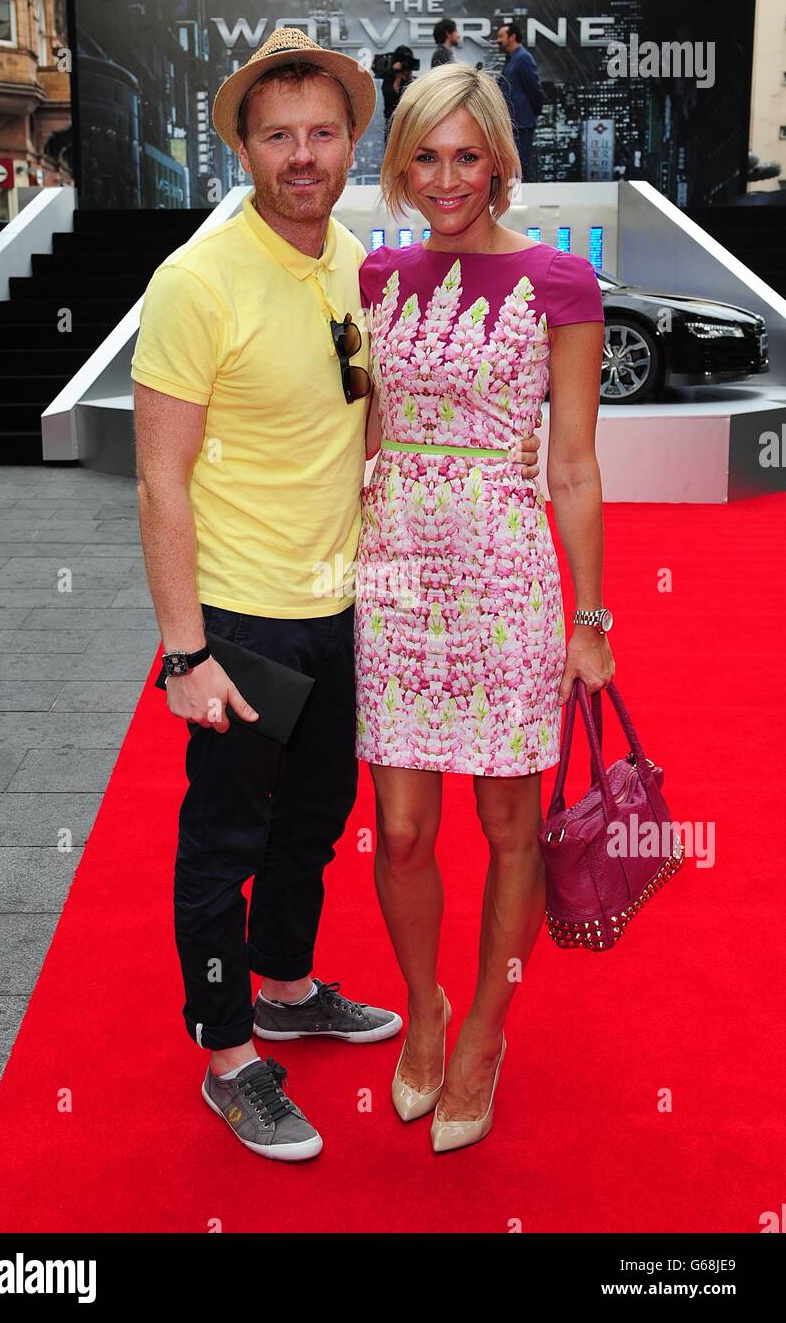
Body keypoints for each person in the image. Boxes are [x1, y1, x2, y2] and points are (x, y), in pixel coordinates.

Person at [130, 26, 546, 1163]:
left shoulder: (355, 262)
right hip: (239, 617)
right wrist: (185, 651)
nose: (301, 154)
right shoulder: (195, 281)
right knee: (225, 838)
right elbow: (158, 479)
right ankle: (229, 1057)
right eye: (278, 136)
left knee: (311, 827)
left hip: (350, 605)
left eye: (321, 133)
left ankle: (287, 986)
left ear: (354, 143)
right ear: (245, 149)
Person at [355, 62, 614, 1152]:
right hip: (397, 569)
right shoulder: (375, 277)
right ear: (400, 166)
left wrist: (591, 622)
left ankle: (486, 1033)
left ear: (501, 160)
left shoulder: (561, 283)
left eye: (467, 154)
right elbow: (367, 434)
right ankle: (425, 1008)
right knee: (403, 831)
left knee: (509, 827)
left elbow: (572, 466)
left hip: (505, 568)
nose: (446, 177)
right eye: (424, 155)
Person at [496, 23, 545, 182]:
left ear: (513, 37)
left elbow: (534, 89)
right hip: (512, 124)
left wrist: (532, 113)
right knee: (512, 165)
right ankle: (514, 200)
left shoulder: (523, 57)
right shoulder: (511, 59)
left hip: (522, 124)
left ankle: (522, 200)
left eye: (501, 36)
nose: (498, 40)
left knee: (520, 165)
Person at [382, 45, 416, 147]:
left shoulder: (412, 81)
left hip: (410, 127)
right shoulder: (388, 79)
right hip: (392, 127)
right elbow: (390, 97)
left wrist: (408, 76)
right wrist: (397, 76)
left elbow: (415, 99)